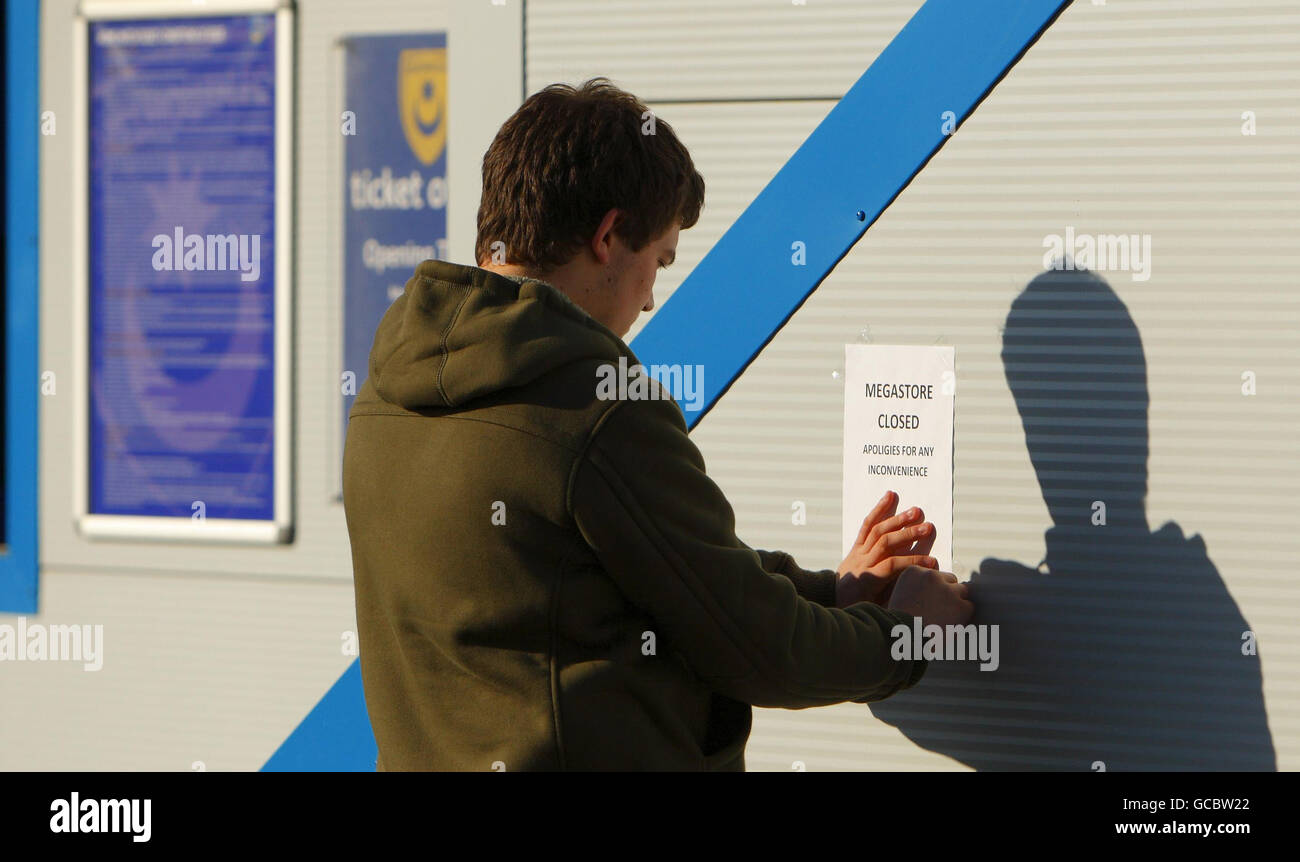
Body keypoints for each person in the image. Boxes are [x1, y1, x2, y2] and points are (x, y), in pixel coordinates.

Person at [343, 77, 973, 771]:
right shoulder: (592, 406)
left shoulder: (384, 397)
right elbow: (759, 650)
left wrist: (832, 593)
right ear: (609, 236)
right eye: (659, 263)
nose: (648, 302)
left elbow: (630, 578)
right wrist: (907, 634)